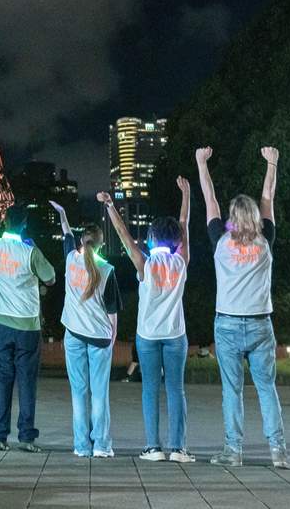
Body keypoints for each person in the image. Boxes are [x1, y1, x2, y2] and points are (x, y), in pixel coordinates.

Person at [197, 145, 290, 470]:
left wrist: (202, 164)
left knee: (231, 390)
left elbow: (209, 198)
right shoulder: (266, 241)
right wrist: (271, 164)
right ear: (254, 218)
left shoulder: (220, 242)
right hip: (260, 324)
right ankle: (278, 452)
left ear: (230, 220)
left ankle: (233, 451)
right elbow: (268, 197)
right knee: (267, 388)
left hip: (226, 324)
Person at [101, 177, 193, 464]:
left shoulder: (146, 264)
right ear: (177, 240)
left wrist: (110, 205)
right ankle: (178, 448)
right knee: (176, 389)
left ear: (152, 239)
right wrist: (187, 195)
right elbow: (184, 223)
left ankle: (153, 447)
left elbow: (123, 234)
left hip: (148, 335)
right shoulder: (181, 261)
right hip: (175, 334)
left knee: (150, 389)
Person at [0, 182, 56, 452]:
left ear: (4, 222)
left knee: (2, 378)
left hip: (1, 324)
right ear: (23, 226)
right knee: (27, 381)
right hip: (28, 326)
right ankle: (26, 437)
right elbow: (51, 277)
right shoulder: (29, 252)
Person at [50, 199, 122, 458]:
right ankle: (102, 445)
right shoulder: (107, 269)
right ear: (101, 243)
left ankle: (82, 445)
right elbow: (112, 310)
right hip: (100, 337)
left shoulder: (71, 259)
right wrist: (113, 336)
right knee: (100, 393)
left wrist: (63, 213)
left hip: (74, 334)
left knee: (79, 393)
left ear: (82, 242)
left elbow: (67, 236)